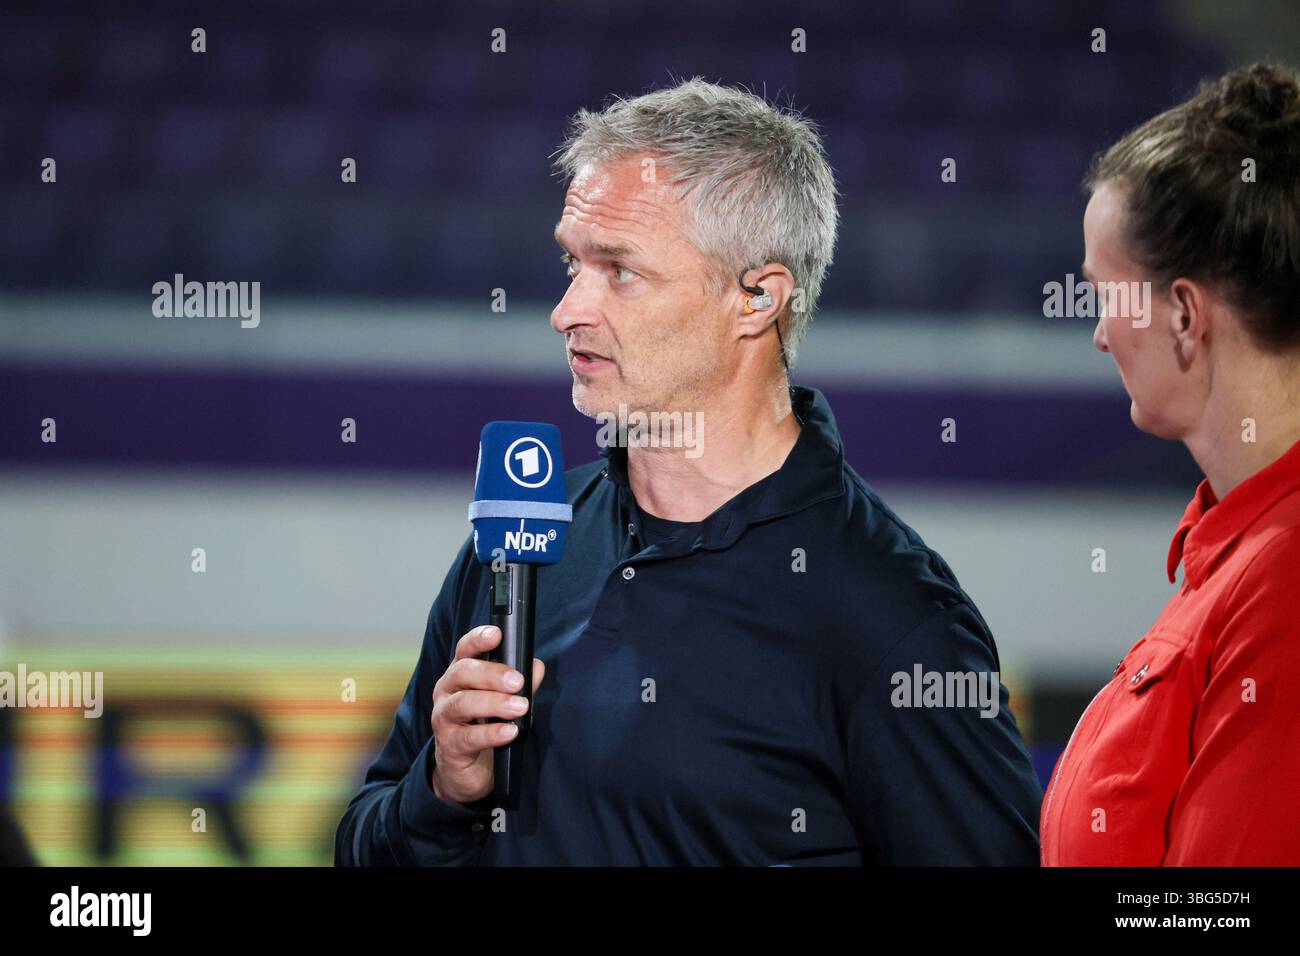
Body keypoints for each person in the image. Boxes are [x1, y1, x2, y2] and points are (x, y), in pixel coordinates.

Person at [337, 78, 1042, 866]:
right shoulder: (523, 541)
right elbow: (363, 845)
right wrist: (440, 790)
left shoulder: (896, 619)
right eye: (573, 263)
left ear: (757, 300)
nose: (567, 310)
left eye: (621, 270)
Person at [1042, 63, 1300, 866]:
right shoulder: (1232, 555)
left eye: (1103, 297)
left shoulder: (1282, 577)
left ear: (1185, 315)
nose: (1096, 336)